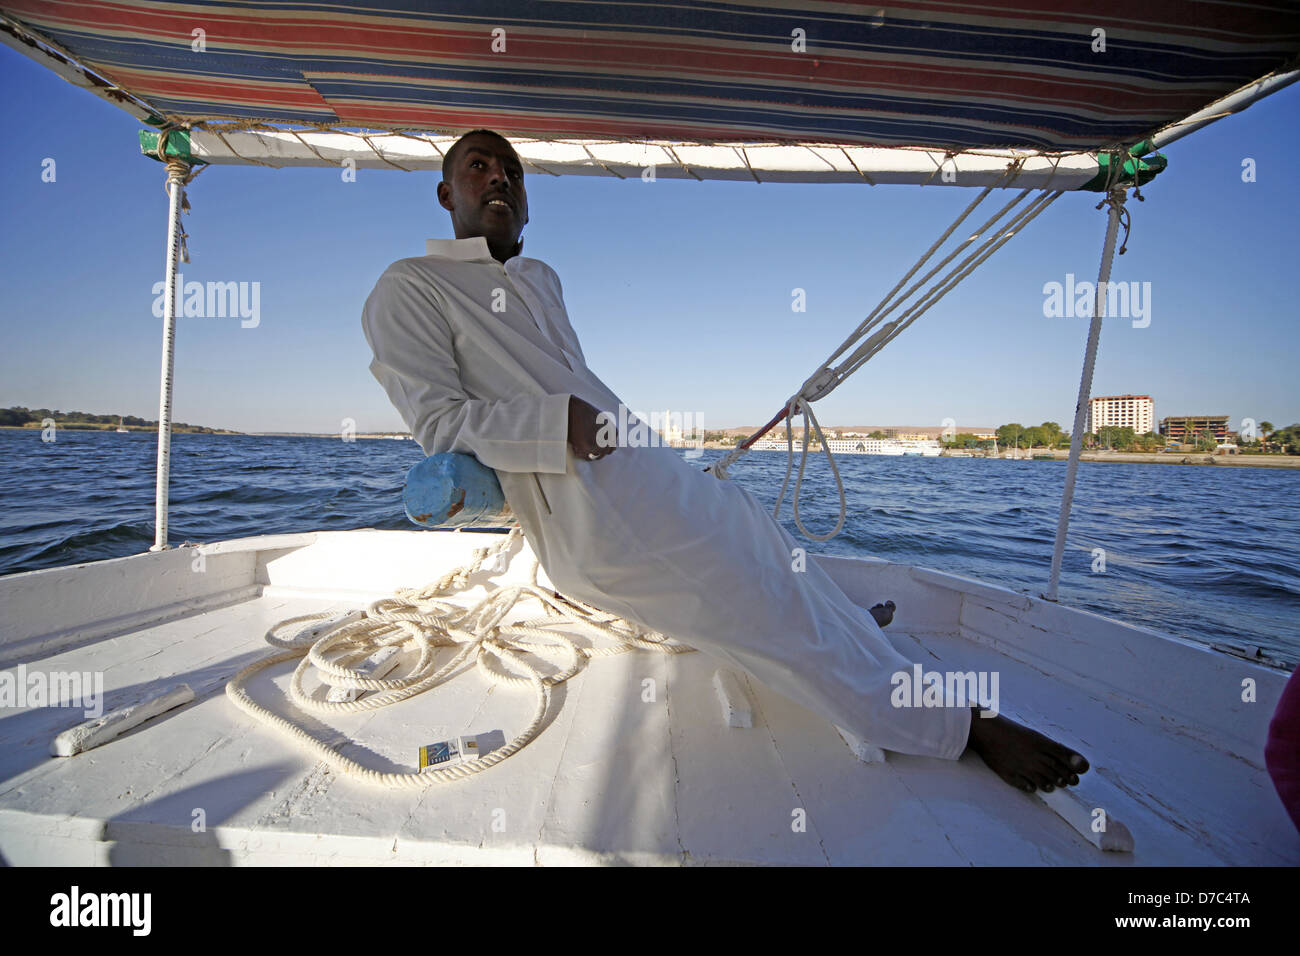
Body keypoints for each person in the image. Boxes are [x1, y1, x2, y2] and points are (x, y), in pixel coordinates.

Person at [362, 129, 1088, 793]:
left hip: (635, 460)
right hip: (584, 504)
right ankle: (957, 728)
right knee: (754, 594)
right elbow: (438, 422)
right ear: (446, 193)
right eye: (479, 167)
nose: (499, 180)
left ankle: (853, 631)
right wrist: (558, 422)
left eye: (513, 171)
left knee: (761, 535)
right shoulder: (409, 286)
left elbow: (570, 375)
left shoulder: (541, 279)